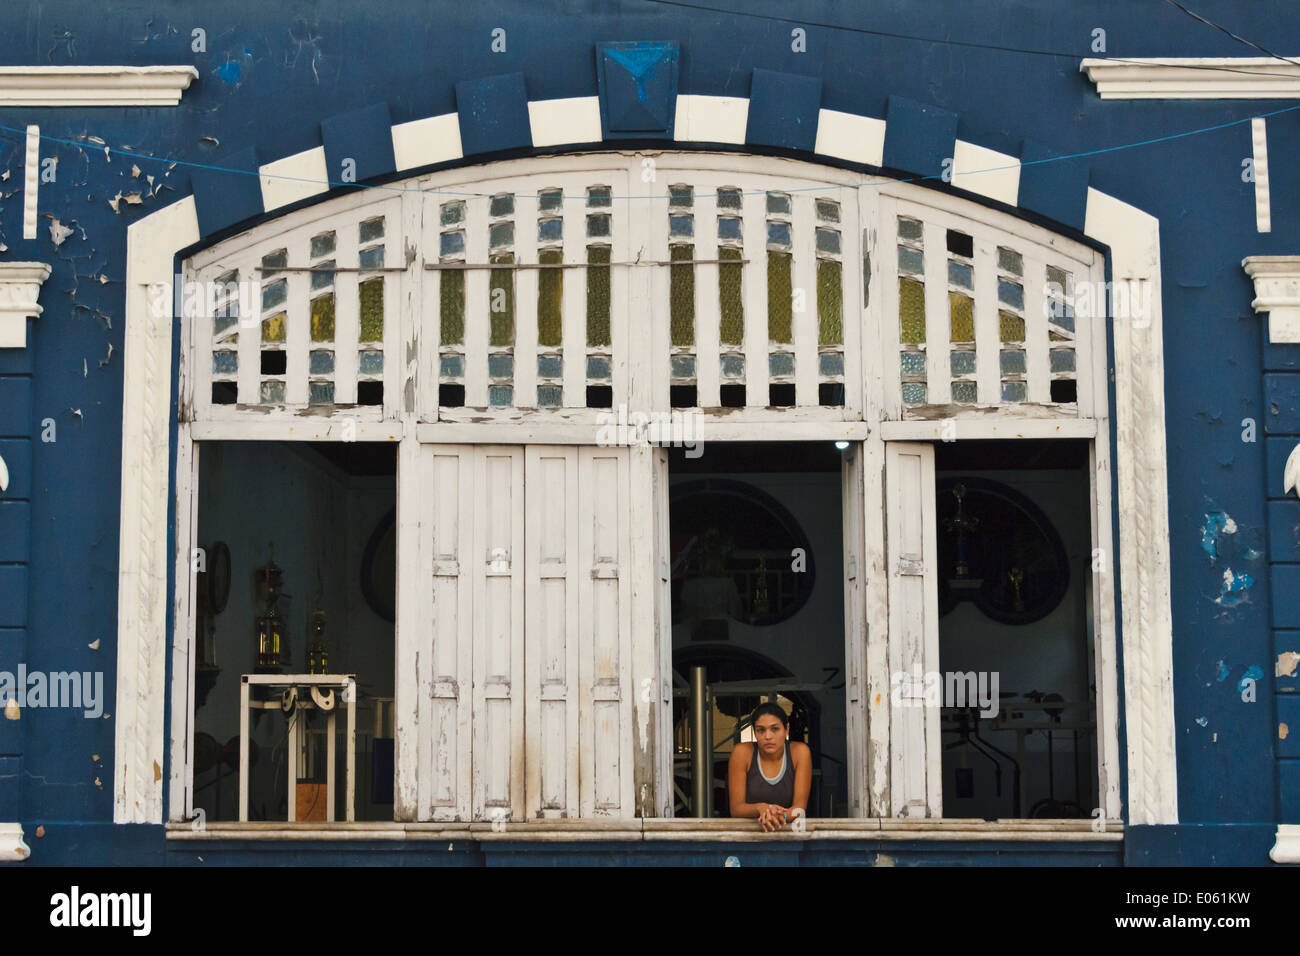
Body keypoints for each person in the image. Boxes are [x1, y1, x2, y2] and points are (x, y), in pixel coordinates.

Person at [727, 702, 811, 831]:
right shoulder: (742, 753)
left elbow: (799, 808)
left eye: (775, 729)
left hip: (789, 837)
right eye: (761, 730)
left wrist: (774, 816)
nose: (768, 736)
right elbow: (736, 808)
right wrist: (761, 808)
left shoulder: (800, 752)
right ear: (754, 732)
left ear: (787, 729)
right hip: (748, 837)